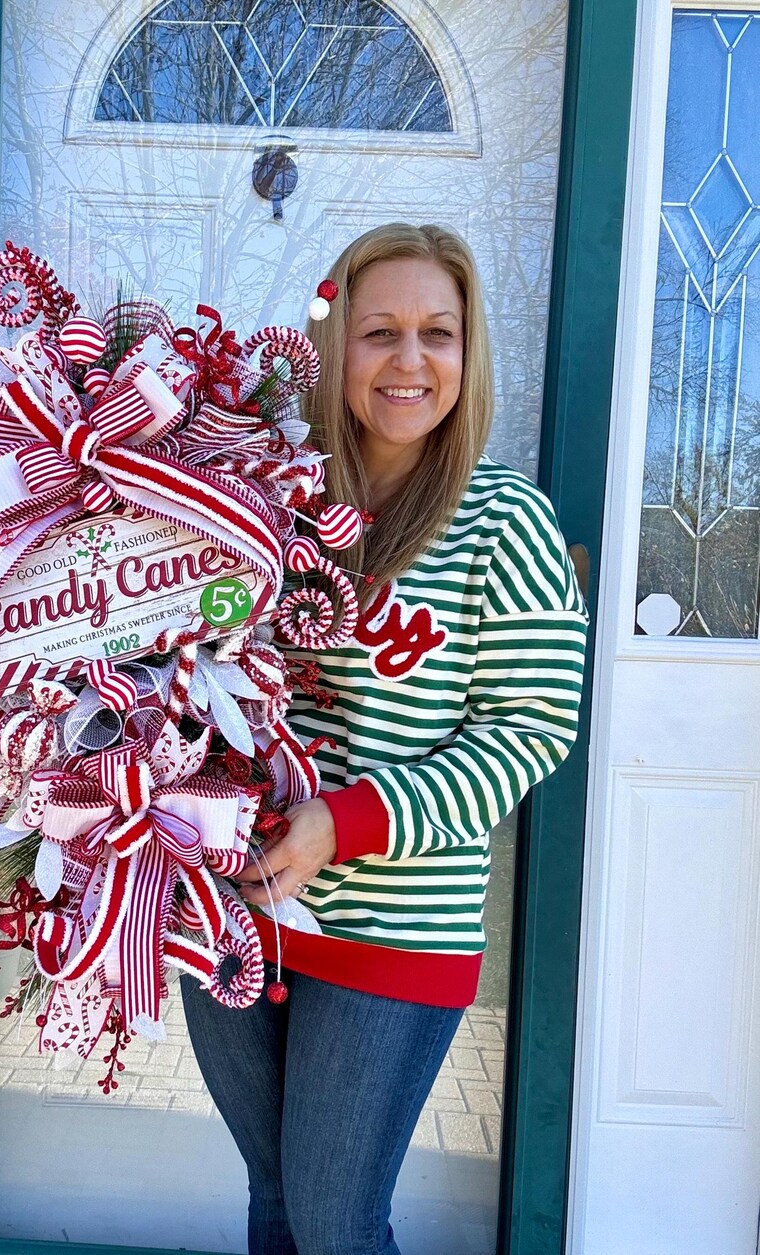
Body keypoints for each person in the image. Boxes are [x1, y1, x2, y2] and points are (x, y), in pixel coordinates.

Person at [180, 223, 589, 1255]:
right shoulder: (265, 496)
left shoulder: (506, 521)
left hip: (393, 929)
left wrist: (344, 820)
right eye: (380, 333)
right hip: (233, 903)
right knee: (275, 1201)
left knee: (334, 1218)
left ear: (468, 353)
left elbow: (531, 731)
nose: (410, 361)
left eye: (437, 333)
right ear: (336, 351)